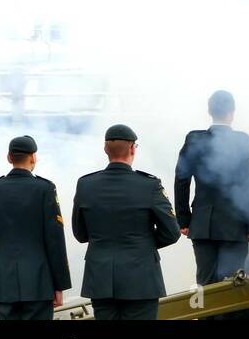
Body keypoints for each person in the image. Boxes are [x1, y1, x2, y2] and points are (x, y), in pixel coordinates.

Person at [73, 125, 181, 320]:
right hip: (141, 278)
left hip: (100, 277)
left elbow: (80, 234)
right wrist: (143, 243)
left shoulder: (85, 185)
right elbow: (172, 232)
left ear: (105, 149)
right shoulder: (149, 185)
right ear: (132, 149)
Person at [174, 90, 249, 287]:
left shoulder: (194, 139)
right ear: (232, 112)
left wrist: (184, 219)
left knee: (204, 285)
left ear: (209, 110)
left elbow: (181, 180)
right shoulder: (243, 140)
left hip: (203, 224)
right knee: (233, 287)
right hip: (236, 226)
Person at [0, 136, 71, 320]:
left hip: (3, 282)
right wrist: (59, 285)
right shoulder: (45, 189)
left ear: (9, 158)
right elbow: (54, 241)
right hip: (39, 283)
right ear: (33, 158)